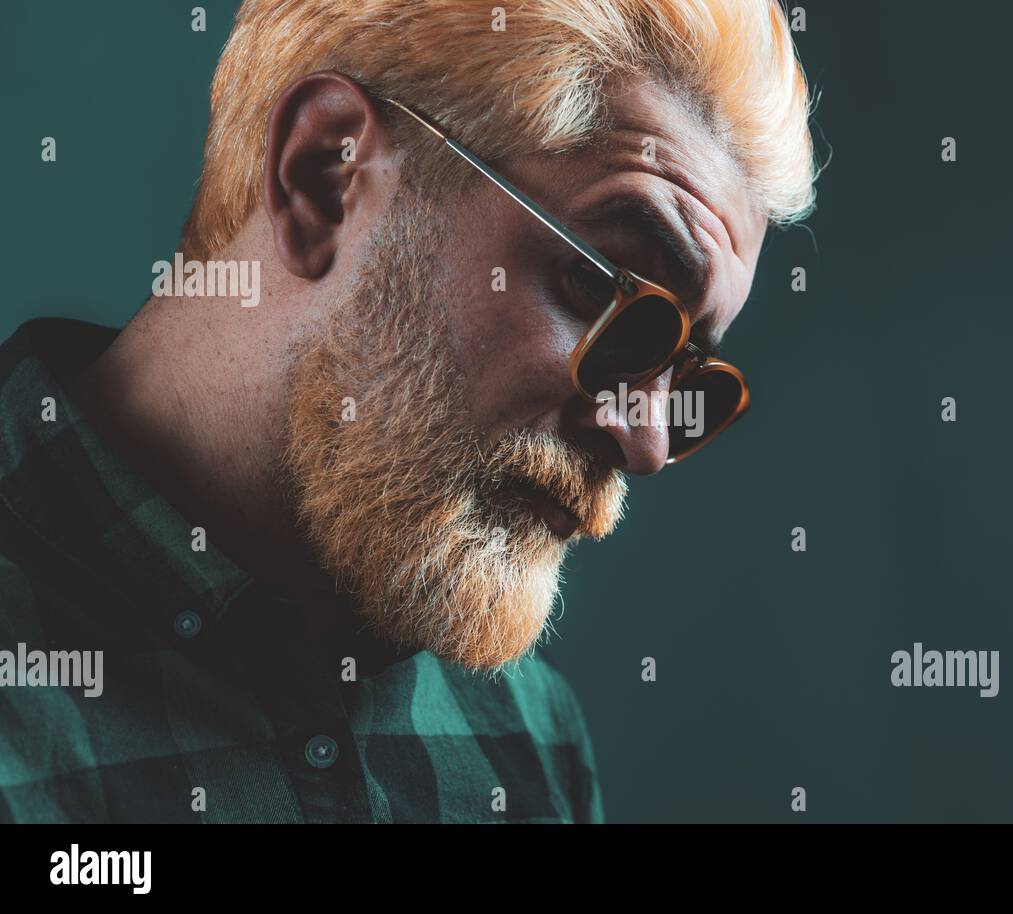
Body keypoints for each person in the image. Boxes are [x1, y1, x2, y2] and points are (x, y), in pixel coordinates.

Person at [0, 0, 818, 823]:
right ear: (326, 176)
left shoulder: (530, 739)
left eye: (686, 374)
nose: (643, 441)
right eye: (601, 288)